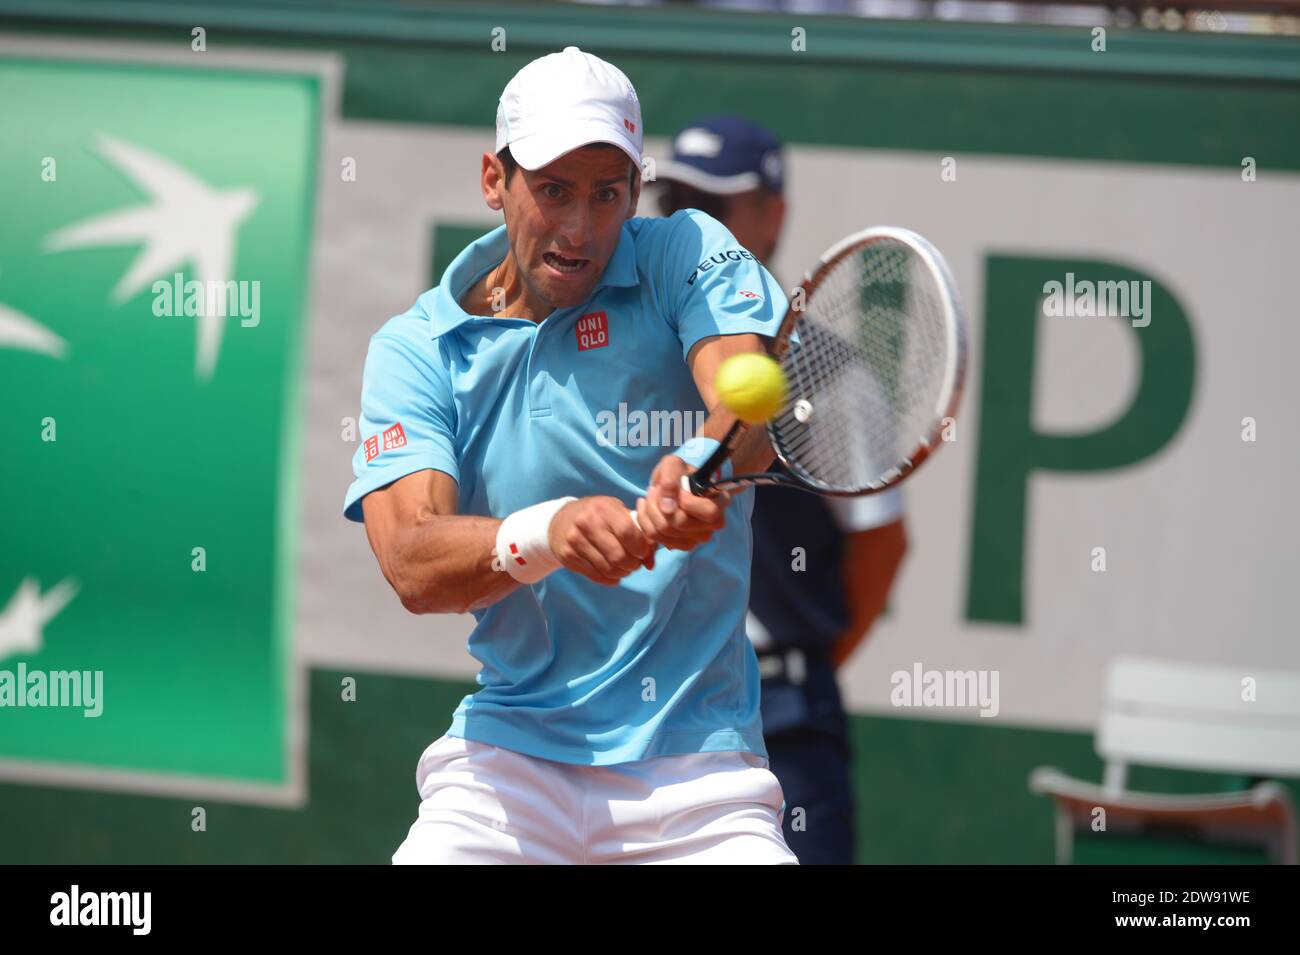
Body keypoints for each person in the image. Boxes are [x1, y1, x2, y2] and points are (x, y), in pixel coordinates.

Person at [344, 48, 798, 864]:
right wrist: (547, 533)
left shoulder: (685, 250)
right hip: (506, 768)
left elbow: (745, 402)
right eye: (552, 190)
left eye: (606, 194)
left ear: (634, 192)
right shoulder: (417, 350)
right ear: (494, 180)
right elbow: (412, 560)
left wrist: (699, 458)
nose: (579, 229)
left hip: (702, 780)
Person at [657, 115, 908, 864]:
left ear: (773, 216)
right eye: (675, 204)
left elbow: (881, 544)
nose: (690, 227)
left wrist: (789, 668)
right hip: (626, 713)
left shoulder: (833, 376)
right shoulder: (621, 349)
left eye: (717, 208)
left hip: (782, 730)